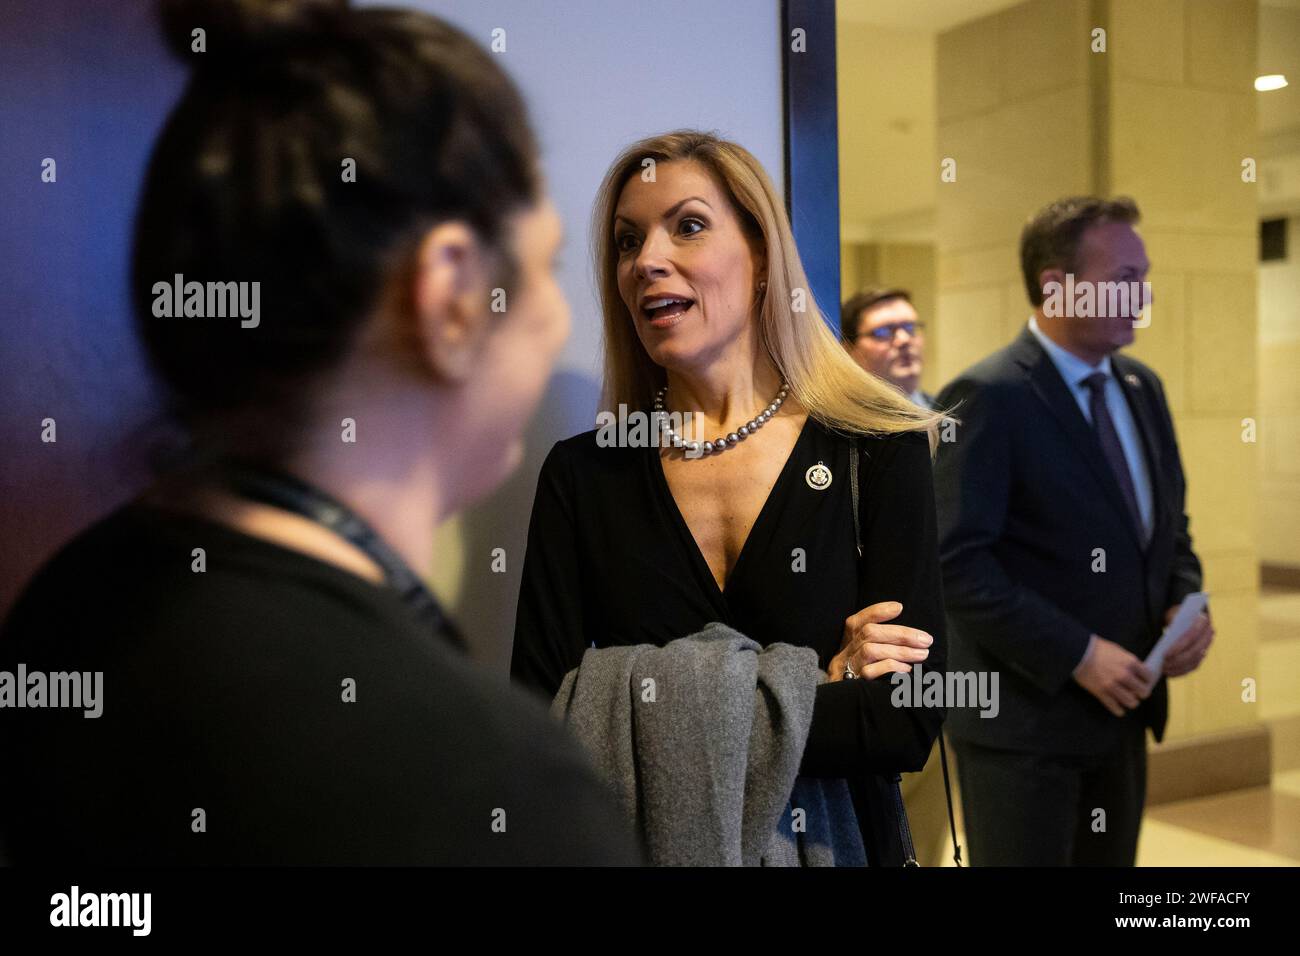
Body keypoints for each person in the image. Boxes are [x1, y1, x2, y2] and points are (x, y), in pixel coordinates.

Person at [0, 0, 640, 866]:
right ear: (452, 296)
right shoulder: (491, 788)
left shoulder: (69, 603)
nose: (559, 319)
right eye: (547, 265)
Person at [510, 130, 949, 864]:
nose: (646, 261)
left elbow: (905, 721)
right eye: (626, 242)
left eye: (687, 225)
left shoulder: (875, 449)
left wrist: (633, 701)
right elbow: (537, 721)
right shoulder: (582, 476)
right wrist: (816, 684)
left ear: (761, 260)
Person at [933, 195, 1213, 866]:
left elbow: (1169, 531)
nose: (1142, 295)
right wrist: (1080, 654)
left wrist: (1184, 601)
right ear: (1056, 286)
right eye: (1123, 279)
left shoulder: (1142, 388)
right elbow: (956, 563)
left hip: (1122, 716)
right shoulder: (988, 395)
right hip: (1025, 729)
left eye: (1143, 277)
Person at [842, 287, 933, 408]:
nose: (904, 340)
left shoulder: (945, 414)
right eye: (883, 332)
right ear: (848, 349)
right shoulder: (836, 421)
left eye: (910, 328)